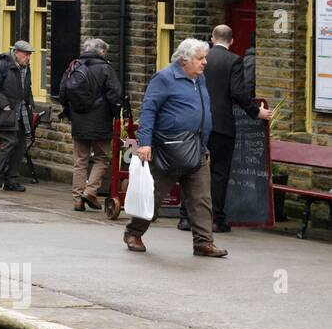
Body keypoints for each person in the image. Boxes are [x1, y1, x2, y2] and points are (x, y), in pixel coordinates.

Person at [123, 38, 228, 257]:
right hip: (168, 149)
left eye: (204, 58)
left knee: (201, 198)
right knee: (155, 195)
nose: (205, 63)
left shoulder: (199, 79)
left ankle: (203, 242)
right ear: (184, 60)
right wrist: (145, 144)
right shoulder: (164, 78)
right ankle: (134, 233)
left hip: (197, 147)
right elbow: (149, 111)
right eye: (200, 59)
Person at [199, 25, 272, 234]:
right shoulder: (234, 60)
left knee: (193, 169)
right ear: (231, 42)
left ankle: (187, 218)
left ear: (212, 39)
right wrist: (255, 111)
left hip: (198, 123)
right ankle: (215, 219)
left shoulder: (200, 58)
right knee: (220, 172)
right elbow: (238, 92)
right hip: (222, 126)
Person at [60, 38, 123, 212]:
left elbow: (63, 93)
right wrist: (116, 115)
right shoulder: (106, 69)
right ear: (101, 51)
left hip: (79, 121)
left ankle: (77, 199)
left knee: (80, 161)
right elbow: (115, 95)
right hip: (100, 121)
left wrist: (70, 111)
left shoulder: (73, 66)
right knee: (102, 158)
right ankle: (90, 191)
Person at [0, 41, 36, 192]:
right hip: (5, 112)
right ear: (16, 52)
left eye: (30, 55)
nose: (28, 58)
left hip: (22, 112)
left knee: (20, 145)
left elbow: (28, 88)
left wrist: (31, 103)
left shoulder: (26, 68)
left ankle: (11, 180)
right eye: (26, 54)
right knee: (10, 141)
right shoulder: (1, 65)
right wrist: (5, 105)